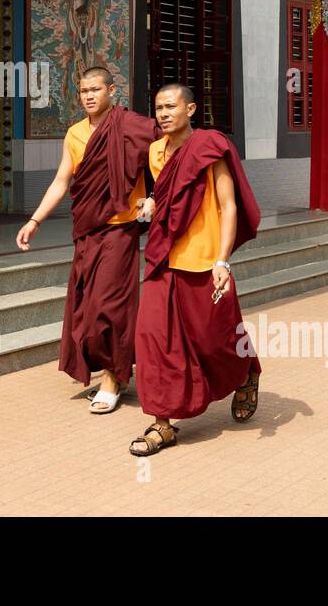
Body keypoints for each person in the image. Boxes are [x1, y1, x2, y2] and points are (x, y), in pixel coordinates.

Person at [129, 83, 262, 457]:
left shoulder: (209, 147)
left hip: (203, 258)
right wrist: (151, 204)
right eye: (158, 108)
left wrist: (222, 260)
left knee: (213, 336)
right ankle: (162, 423)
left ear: (191, 109)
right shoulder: (156, 150)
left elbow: (228, 205)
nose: (164, 113)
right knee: (154, 340)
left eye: (171, 106)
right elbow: (166, 192)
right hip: (162, 256)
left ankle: (246, 370)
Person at [16, 66, 159, 413]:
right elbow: (62, 181)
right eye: (83, 91)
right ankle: (116, 370)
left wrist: (155, 196)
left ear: (113, 90)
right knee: (85, 308)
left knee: (108, 307)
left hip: (121, 231)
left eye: (96, 89)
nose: (89, 96)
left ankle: (113, 378)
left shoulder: (132, 126)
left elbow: (168, 155)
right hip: (87, 232)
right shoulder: (75, 134)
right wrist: (35, 220)